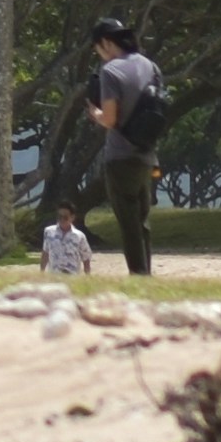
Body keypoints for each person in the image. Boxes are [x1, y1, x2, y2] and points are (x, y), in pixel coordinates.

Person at [78, 19, 169, 279]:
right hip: (147, 153)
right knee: (142, 220)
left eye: (98, 48)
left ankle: (138, 274)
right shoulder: (150, 66)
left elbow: (110, 118)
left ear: (106, 43)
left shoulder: (111, 71)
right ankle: (146, 271)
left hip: (120, 155)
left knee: (128, 221)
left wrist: (94, 113)